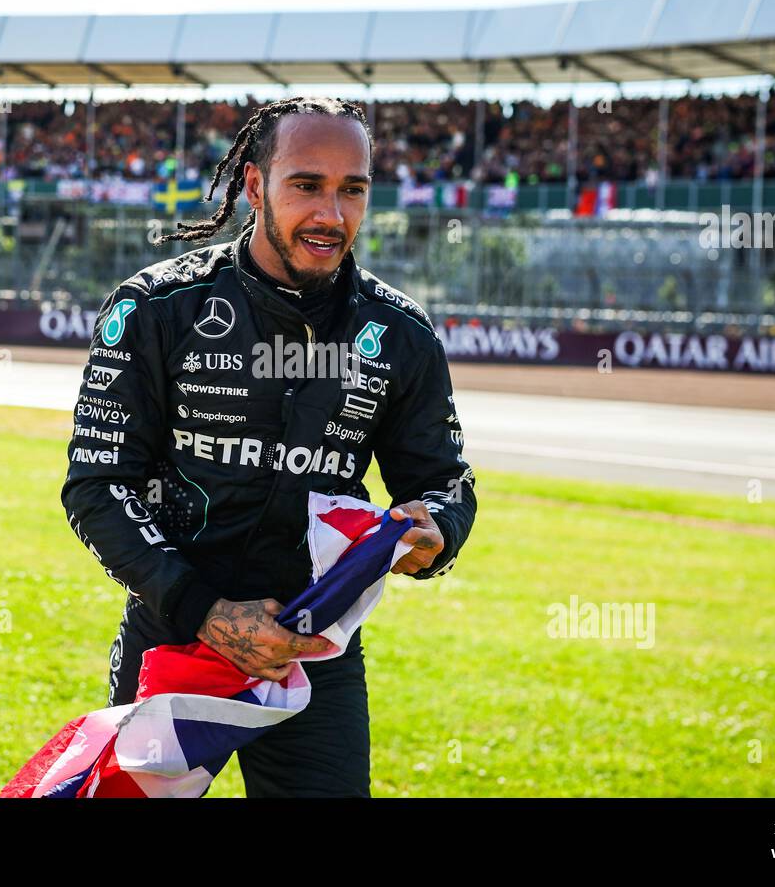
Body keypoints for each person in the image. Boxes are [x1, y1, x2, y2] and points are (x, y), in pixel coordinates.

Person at [60, 96, 476, 797]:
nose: (331, 215)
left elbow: (444, 482)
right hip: (176, 627)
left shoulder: (400, 332)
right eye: (306, 185)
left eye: (353, 190)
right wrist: (207, 613)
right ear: (254, 186)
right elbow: (97, 485)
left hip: (314, 651)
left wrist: (439, 530)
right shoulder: (158, 307)